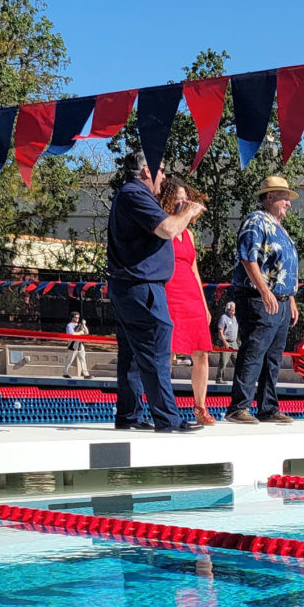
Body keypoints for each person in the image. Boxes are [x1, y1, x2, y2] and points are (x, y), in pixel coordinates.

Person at [107, 150, 202, 431]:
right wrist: (187, 212)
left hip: (132, 285)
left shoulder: (132, 195)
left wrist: (178, 212)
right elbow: (167, 230)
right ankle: (168, 418)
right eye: (161, 170)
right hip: (142, 286)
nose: (164, 177)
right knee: (156, 350)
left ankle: (129, 416)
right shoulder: (135, 194)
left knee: (133, 355)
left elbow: (160, 226)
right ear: (147, 170)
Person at [227, 174, 300, 425]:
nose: (288, 204)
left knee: (272, 357)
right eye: (284, 198)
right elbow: (249, 258)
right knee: (254, 350)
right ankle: (239, 407)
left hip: (279, 300)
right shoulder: (256, 221)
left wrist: (290, 298)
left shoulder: (280, 229)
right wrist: (264, 291)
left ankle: (268, 406)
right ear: (270, 197)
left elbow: (284, 268)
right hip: (259, 298)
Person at [159, 178, 218, 426]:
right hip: (170, 291)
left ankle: (200, 406)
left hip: (191, 293)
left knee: (201, 352)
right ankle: (162, 405)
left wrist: (204, 305)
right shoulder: (163, 225)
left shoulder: (189, 234)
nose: (182, 201)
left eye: (185, 197)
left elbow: (195, 270)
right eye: (178, 197)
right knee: (167, 351)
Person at [63, 309, 92, 379]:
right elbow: (72, 334)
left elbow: (86, 333)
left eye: (78, 317)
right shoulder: (69, 325)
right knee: (70, 359)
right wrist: (80, 332)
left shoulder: (80, 325)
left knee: (83, 359)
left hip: (80, 344)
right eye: (75, 317)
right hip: (73, 344)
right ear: (72, 318)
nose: (77, 319)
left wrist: (84, 325)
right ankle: (65, 372)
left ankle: (86, 373)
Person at [215, 300, 238, 384]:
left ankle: (239, 378)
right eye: (232, 310)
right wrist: (225, 343)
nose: (233, 311)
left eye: (234, 310)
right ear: (227, 310)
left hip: (234, 343)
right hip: (226, 342)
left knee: (238, 361)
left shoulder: (234, 318)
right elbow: (220, 331)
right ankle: (219, 378)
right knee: (223, 361)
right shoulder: (223, 318)